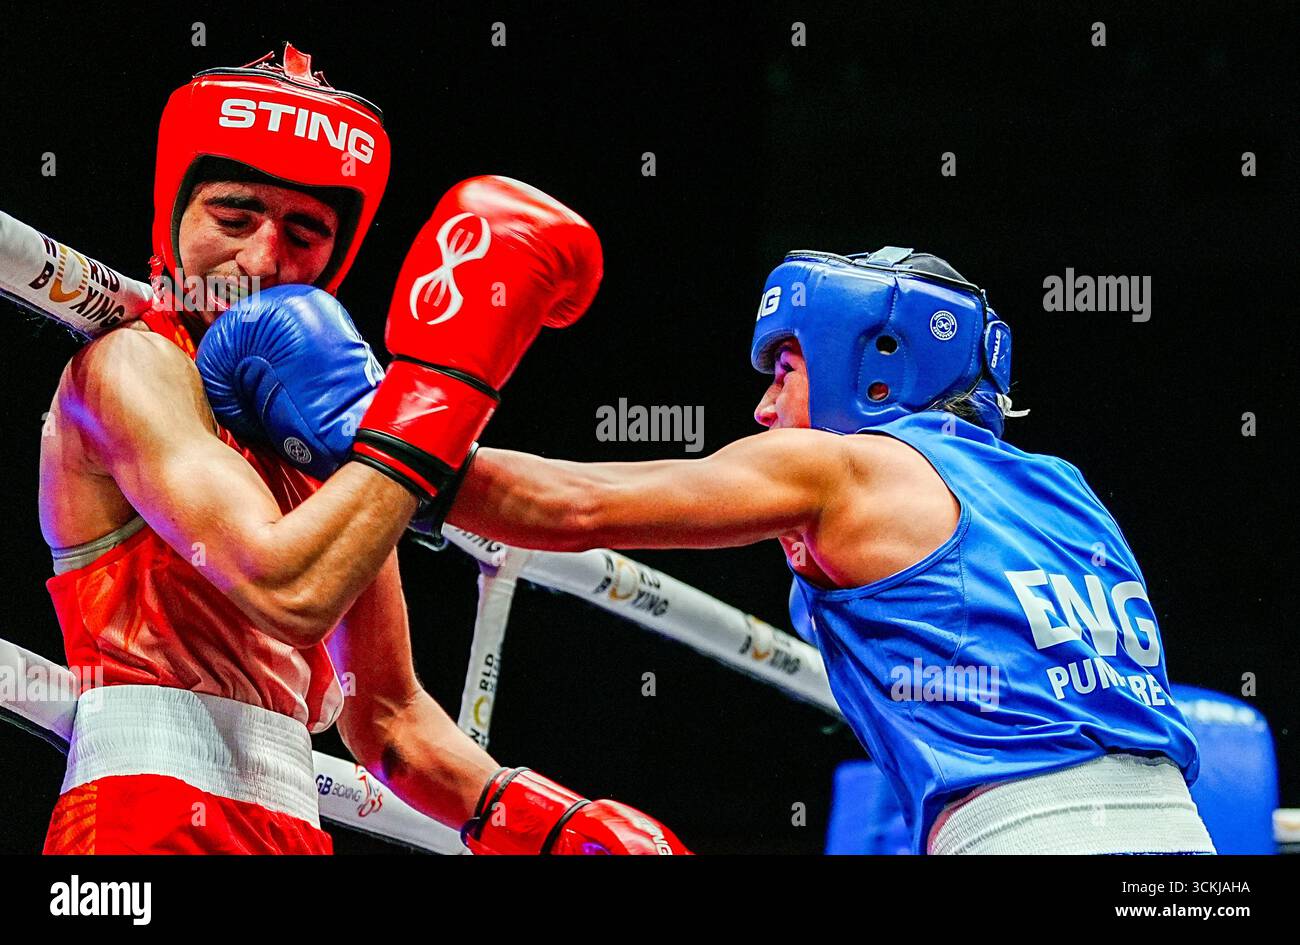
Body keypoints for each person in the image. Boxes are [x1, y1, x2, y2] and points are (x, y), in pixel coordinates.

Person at [233, 244, 1215, 854]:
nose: (763, 404)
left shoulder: (848, 470)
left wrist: (367, 428)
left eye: (785, 367)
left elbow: (565, 503)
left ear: (873, 366)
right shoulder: (1070, 495)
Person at [38, 44, 686, 855]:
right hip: (143, 818)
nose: (262, 259)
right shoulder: (132, 366)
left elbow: (387, 717)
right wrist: (437, 394)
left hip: (292, 825)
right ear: (173, 214)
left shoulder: (320, 436)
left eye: (304, 231)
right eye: (233, 217)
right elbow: (286, 586)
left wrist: (552, 822)